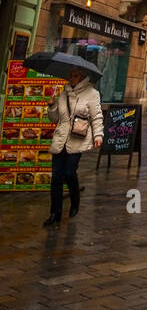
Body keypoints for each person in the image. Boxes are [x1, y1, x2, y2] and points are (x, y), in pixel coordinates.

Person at [44, 67, 104, 226]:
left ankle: (75, 200)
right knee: (56, 177)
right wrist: (51, 106)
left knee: (70, 172)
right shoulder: (63, 94)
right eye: (70, 75)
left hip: (77, 139)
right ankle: (54, 212)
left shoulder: (92, 94)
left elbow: (97, 117)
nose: (72, 78)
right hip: (60, 139)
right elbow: (55, 118)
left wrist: (98, 136)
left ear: (83, 77)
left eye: (75, 75)